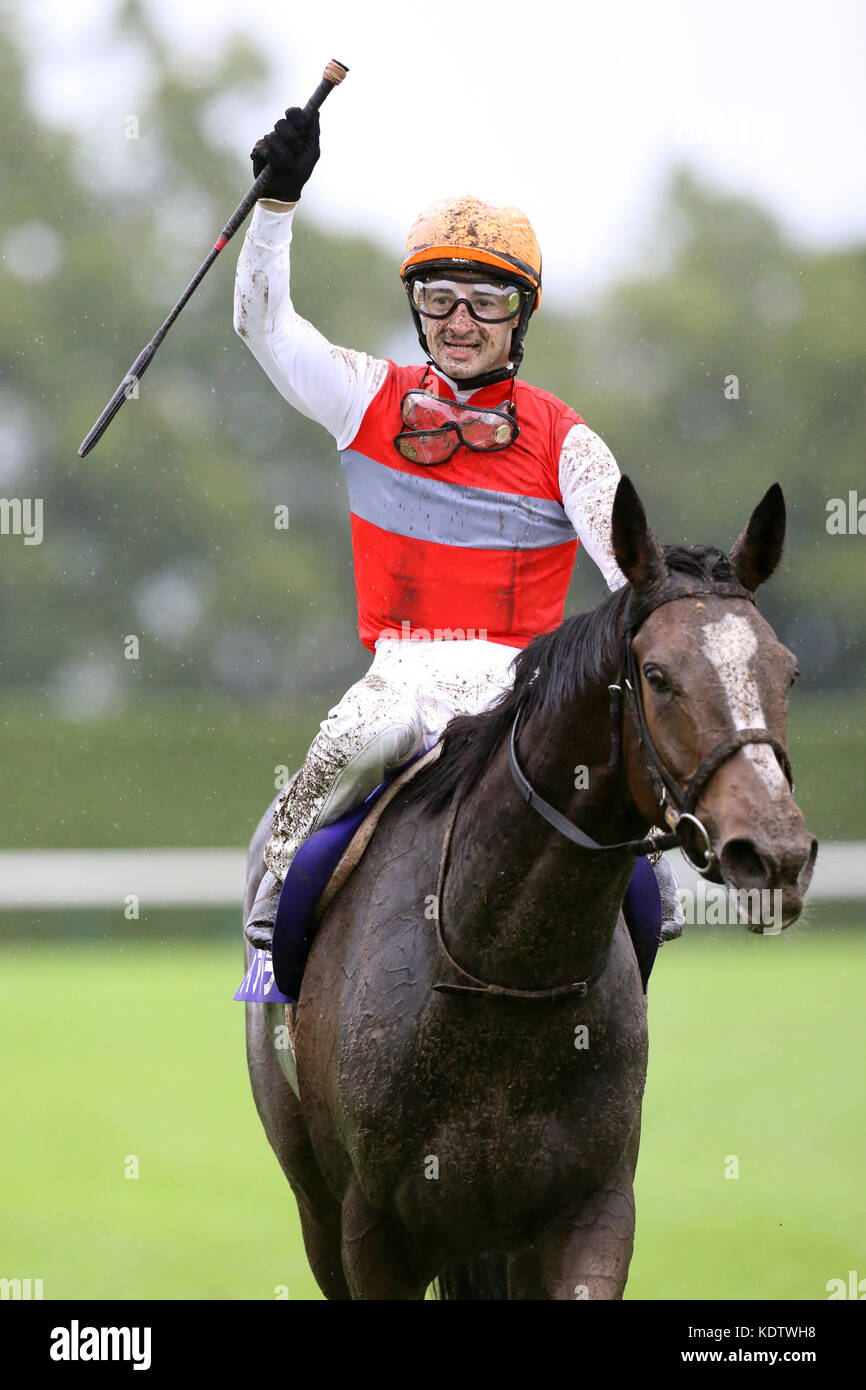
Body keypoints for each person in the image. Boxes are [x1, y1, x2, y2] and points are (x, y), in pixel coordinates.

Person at [233, 104, 684, 948]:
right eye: (438, 298)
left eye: (486, 300)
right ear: (417, 308)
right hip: (401, 676)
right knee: (353, 735)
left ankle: (650, 906)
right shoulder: (366, 396)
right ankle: (275, 905)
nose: (460, 321)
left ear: (521, 315)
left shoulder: (568, 441)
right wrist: (276, 207)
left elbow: (638, 580)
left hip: (528, 688)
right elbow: (263, 326)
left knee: (635, 850)